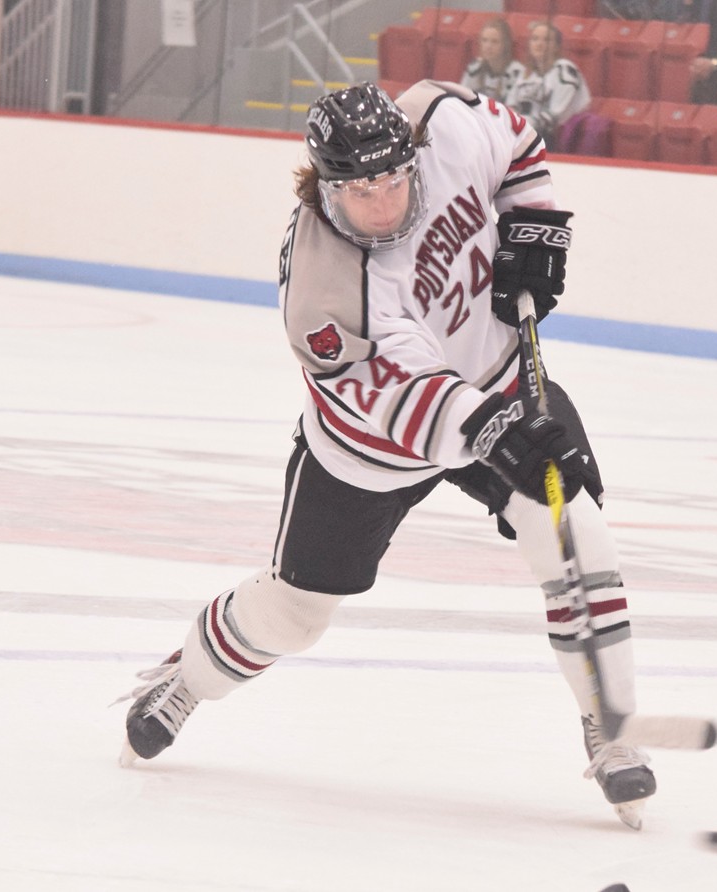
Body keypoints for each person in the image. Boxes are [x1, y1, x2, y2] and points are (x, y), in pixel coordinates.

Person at [115, 81, 659, 830]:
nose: (382, 201)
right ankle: (188, 678)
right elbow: (393, 398)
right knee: (294, 616)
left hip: (492, 377)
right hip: (369, 450)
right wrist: (495, 434)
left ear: (412, 156)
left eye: (394, 179)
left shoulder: (443, 123)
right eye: (358, 187)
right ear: (324, 184)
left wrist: (533, 229)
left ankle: (614, 724)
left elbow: (518, 145)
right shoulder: (323, 285)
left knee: (576, 531)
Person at [505, 22, 592, 151]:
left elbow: (555, 116)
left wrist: (520, 126)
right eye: (535, 39)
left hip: (552, 138)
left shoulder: (564, 69)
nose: (540, 44)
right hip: (524, 133)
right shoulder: (526, 73)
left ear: (556, 46)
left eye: (546, 40)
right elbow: (511, 106)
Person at [460, 17, 525, 102]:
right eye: (484, 40)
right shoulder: (474, 67)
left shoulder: (516, 72)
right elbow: (461, 99)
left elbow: (514, 108)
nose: (488, 46)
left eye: (494, 41)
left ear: (505, 45)